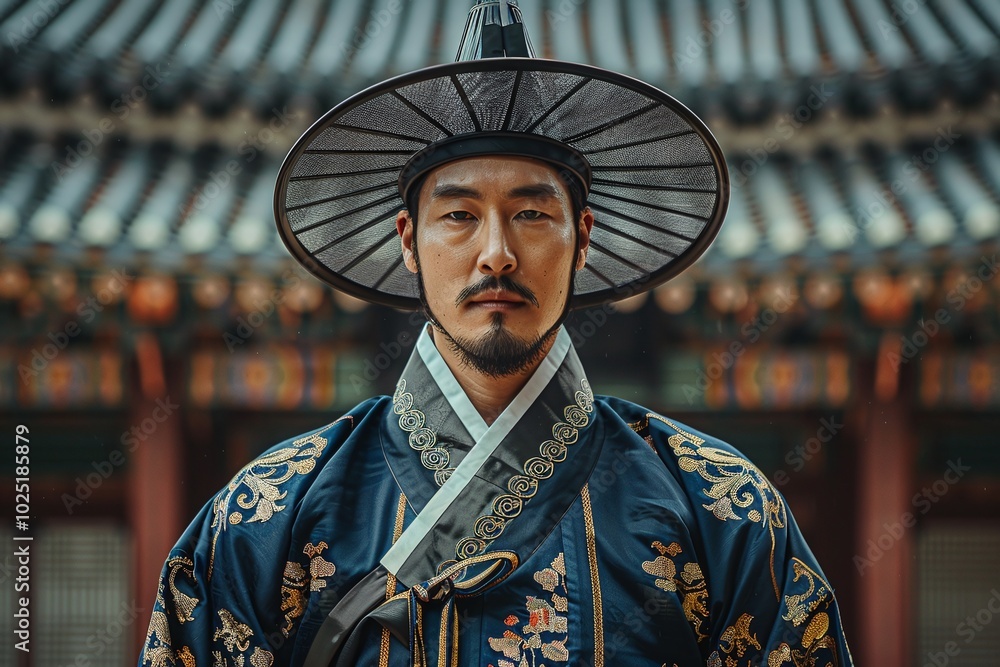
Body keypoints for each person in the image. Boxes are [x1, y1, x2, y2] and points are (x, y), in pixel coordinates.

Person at [138, 2, 852, 665]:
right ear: (408, 239)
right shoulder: (266, 516)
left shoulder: (721, 510)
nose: (496, 252)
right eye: (458, 215)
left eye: (533, 213)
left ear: (584, 238)